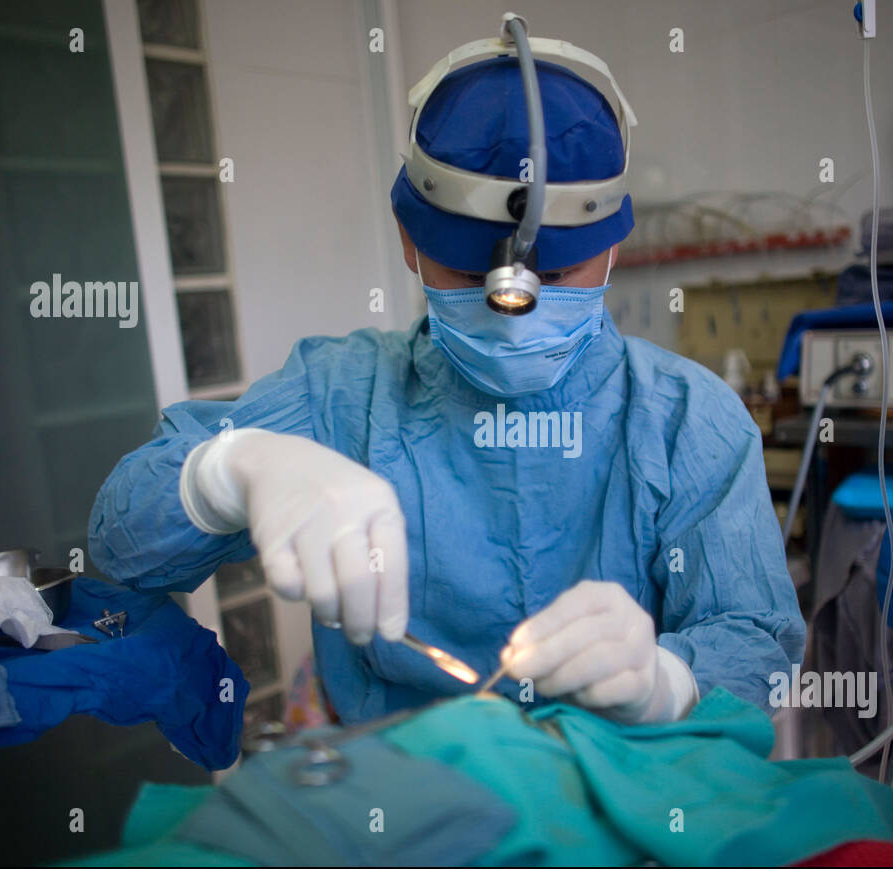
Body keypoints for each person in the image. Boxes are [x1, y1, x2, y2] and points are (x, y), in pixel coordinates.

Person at [89, 35, 804, 727]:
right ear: (410, 240)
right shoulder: (343, 395)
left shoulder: (687, 420)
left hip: (619, 809)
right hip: (404, 810)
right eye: (470, 277)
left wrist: (669, 680)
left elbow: (759, 643)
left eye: (553, 279)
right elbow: (122, 543)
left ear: (611, 243)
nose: (514, 315)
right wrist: (226, 471)